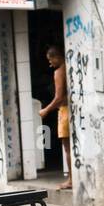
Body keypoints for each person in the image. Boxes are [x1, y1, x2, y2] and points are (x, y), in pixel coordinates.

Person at [39, 45, 71, 189]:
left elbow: (58, 97)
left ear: (57, 57)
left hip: (64, 110)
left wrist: (46, 110)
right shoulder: (69, 67)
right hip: (71, 109)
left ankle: (71, 180)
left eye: (50, 59)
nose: (50, 63)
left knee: (67, 147)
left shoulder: (59, 72)